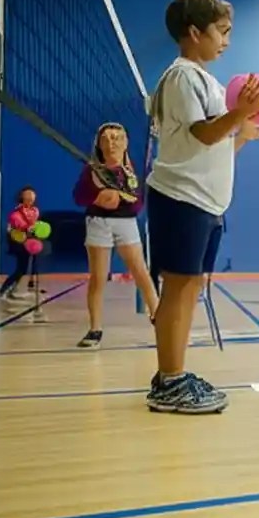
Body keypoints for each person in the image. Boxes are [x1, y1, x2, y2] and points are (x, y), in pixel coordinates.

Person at [145, 0, 259, 415]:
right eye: (221, 31)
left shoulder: (207, 82)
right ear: (193, 32)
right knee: (178, 287)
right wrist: (239, 114)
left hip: (204, 203)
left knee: (190, 287)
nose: (226, 41)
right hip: (180, 199)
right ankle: (169, 382)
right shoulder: (182, 77)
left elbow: (213, 147)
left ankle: (172, 374)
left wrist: (242, 133)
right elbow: (204, 134)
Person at [71, 122, 160, 348]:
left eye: (117, 138)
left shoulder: (132, 171)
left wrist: (121, 199)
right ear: (99, 144)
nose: (112, 143)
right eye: (107, 138)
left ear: (125, 142)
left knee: (141, 271)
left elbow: (139, 202)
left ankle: (158, 316)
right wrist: (97, 198)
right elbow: (79, 197)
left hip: (126, 223)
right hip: (98, 223)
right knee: (98, 277)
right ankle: (95, 329)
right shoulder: (91, 170)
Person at [0, 186, 42, 313]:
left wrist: (35, 230)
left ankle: (11, 291)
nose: (30, 199)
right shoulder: (16, 212)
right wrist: (27, 228)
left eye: (32, 197)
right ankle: (4, 290)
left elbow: (34, 224)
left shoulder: (35, 211)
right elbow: (17, 224)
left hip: (29, 243)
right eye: (27, 196)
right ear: (22, 197)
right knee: (20, 269)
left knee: (23, 269)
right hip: (18, 243)